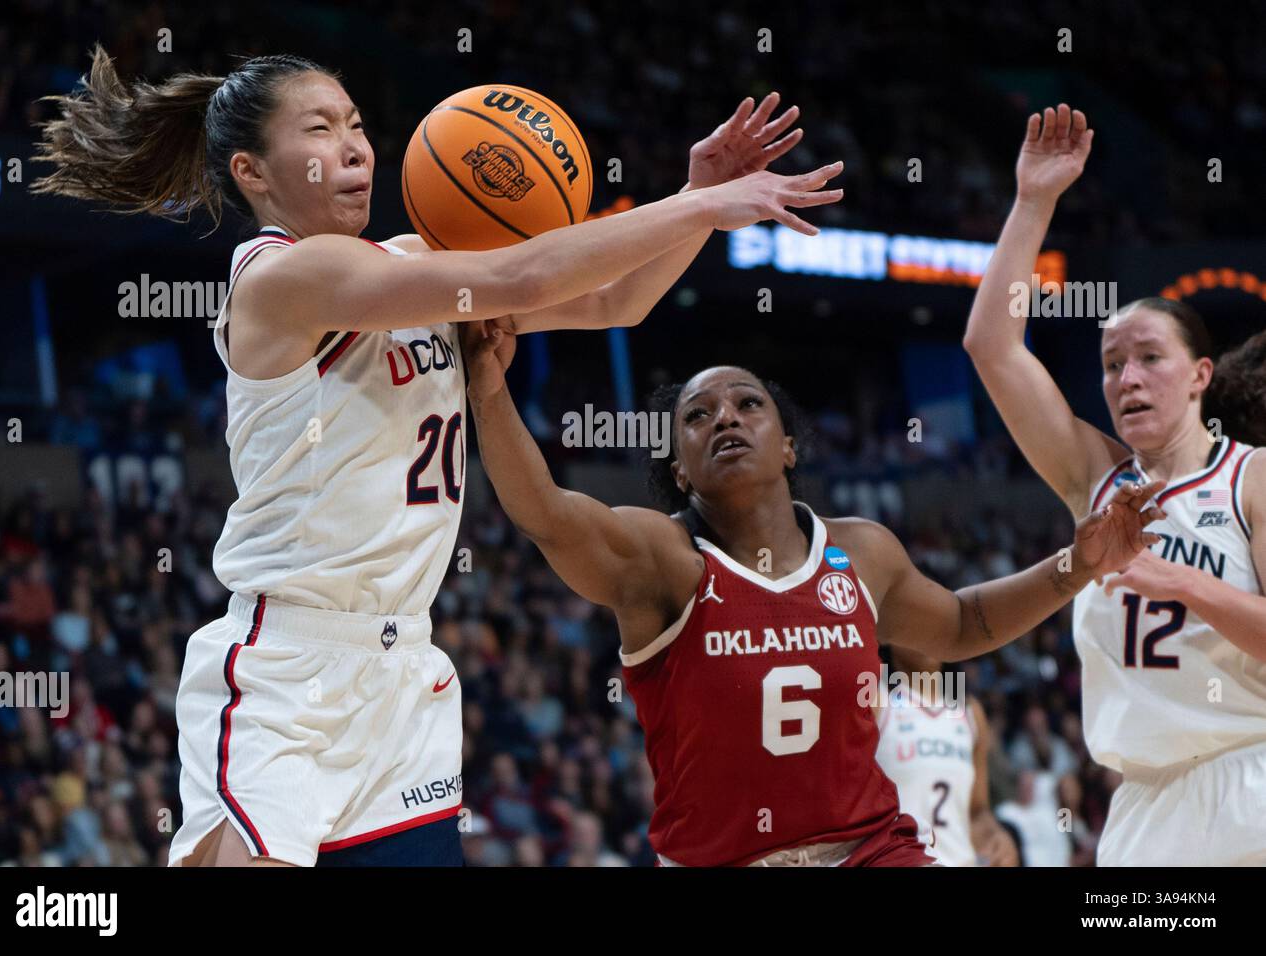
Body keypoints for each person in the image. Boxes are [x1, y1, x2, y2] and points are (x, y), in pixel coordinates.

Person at [31, 45, 842, 866]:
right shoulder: (283, 278)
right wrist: (705, 207)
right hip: (288, 674)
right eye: (318, 129)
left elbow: (611, 298)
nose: (352, 146)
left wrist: (697, 197)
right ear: (253, 171)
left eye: (355, 125)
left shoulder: (416, 267)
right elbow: (523, 275)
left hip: (403, 673)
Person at [464, 322, 1163, 866]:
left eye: (748, 404)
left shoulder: (861, 551)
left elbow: (961, 620)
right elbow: (545, 514)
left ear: (789, 446)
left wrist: (1077, 564)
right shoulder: (663, 560)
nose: (727, 419)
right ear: (679, 469)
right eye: (699, 416)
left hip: (870, 851)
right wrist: (491, 390)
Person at [963, 103, 1266, 865]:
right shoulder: (1095, 479)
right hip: (1139, 806)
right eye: (1109, 364)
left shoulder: (1252, 479)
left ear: (1200, 375)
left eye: (1149, 358)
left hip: (1250, 781)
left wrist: (1186, 584)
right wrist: (1034, 203)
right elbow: (991, 346)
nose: (1127, 378)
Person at [873, 645, 1019, 866]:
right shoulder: (874, 699)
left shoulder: (971, 712)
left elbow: (977, 812)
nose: (929, 629)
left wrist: (995, 836)